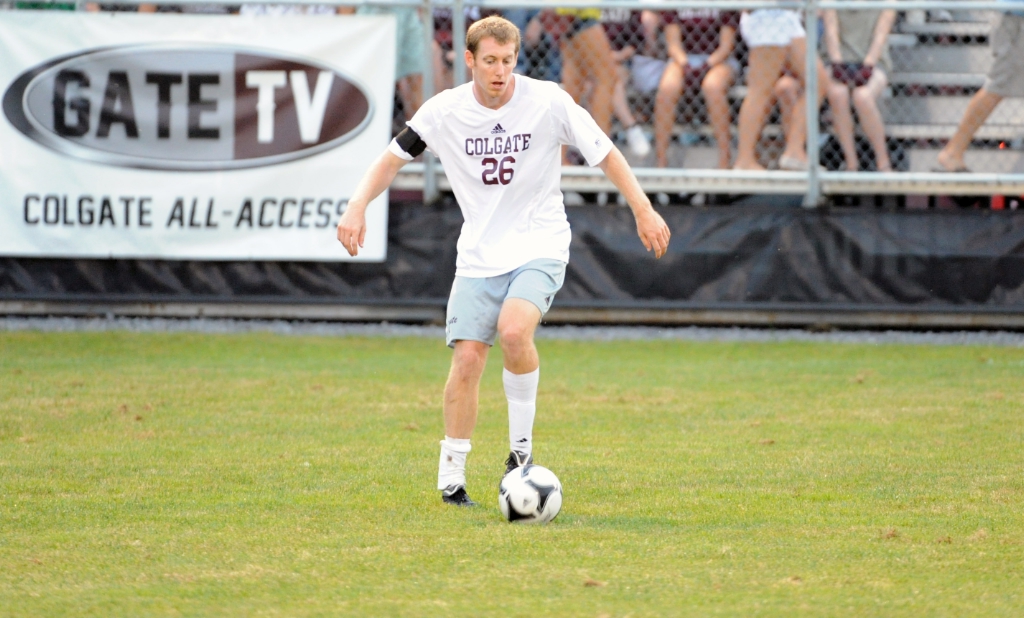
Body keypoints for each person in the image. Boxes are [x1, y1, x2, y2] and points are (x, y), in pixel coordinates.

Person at [336, 15, 671, 507]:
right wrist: (356, 204)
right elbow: (392, 157)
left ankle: (520, 455)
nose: (499, 71)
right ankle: (451, 480)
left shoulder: (547, 100)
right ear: (469, 60)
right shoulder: (443, 111)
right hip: (478, 254)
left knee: (515, 332)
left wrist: (643, 210)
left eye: (508, 61)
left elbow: (606, 153)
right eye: (489, 61)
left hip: (541, 242)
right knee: (468, 358)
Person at [733, 9, 828, 171]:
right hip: (768, 18)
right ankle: (744, 160)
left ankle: (794, 151)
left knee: (818, 81)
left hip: (788, 16)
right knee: (760, 91)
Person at [936, 3, 1024, 173]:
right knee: (998, 86)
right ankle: (953, 150)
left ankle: (954, 150)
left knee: (998, 86)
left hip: (1015, 19)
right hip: (1015, 20)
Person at [652, 8, 740, 169]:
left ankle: (724, 159)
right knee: (667, 88)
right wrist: (686, 66)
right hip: (684, 58)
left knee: (712, 86)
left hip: (718, 58)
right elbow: (673, 45)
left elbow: (726, 46)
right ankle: (661, 160)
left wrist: (707, 66)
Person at [822, 9, 897, 172]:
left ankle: (883, 162)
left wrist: (868, 65)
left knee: (862, 97)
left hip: (874, 62)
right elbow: (831, 31)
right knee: (838, 94)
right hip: (837, 60)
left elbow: (880, 35)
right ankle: (851, 163)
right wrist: (837, 63)